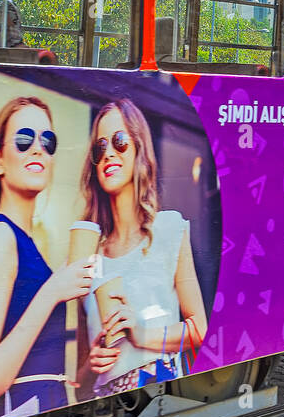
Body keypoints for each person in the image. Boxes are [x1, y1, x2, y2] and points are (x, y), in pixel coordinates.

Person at [0, 96, 96, 417]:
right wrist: (52, 292)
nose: (38, 148)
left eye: (48, 141)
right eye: (24, 139)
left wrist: (90, 362)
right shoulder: (0, 238)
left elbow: (39, 365)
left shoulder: (21, 240)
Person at [77, 99, 208, 397]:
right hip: (104, 403)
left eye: (120, 141)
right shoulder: (89, 254)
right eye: (100, 148)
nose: (109, 152)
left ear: (139, 151)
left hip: (157, 389)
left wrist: (141, 334)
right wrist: (90, 364)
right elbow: (79, 383)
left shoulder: (169, 229)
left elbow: (199, 328)